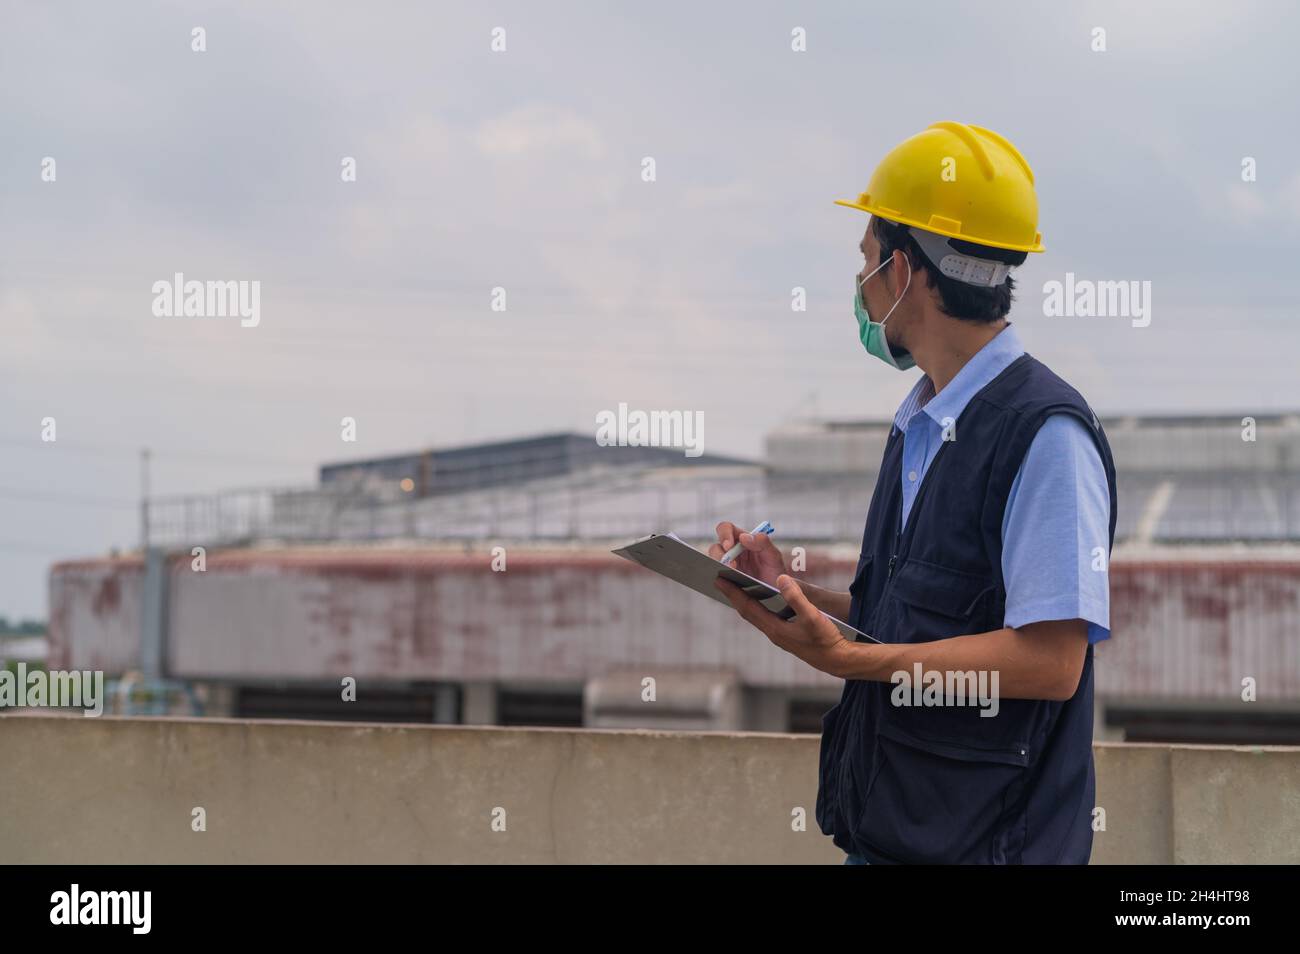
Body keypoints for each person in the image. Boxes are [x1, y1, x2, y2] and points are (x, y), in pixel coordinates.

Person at [711, 122, 1116, 864]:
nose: (862, 285)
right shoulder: (924, 422)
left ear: (901, 272)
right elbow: (913, 617)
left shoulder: (1044, 434)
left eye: (865, 261)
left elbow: (1052, 662)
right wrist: (790, 594)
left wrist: (850, 662)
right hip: (892, 838)